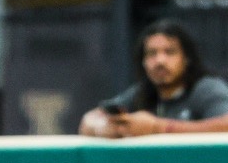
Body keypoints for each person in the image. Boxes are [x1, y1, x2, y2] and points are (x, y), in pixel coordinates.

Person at [78, 19, 228, 137]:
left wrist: (158, 128)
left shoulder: (205, 88)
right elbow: (88, 121)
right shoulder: (142, 92)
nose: (160, 61)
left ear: (186, 58)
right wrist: (107, 128)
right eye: (152, 53)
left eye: (169, 52)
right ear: (143, 62)